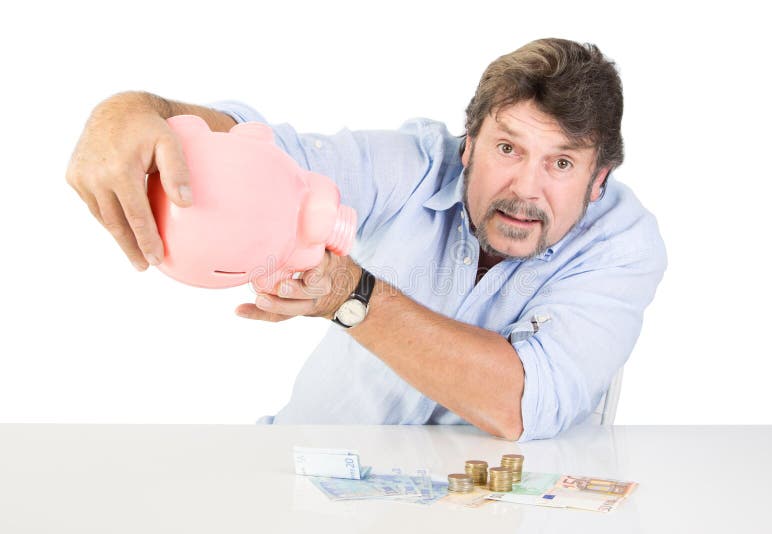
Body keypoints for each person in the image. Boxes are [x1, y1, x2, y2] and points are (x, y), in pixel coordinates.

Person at [66, 38, 666, 441]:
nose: (525, 191)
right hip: (301, 478)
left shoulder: (624, 246)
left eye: (561, 164)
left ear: (598, 180)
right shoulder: (418, 163)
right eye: (507, 149)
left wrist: (351, 297)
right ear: (469, 146)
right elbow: (277, 158)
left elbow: (524, 403)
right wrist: (132, 112)